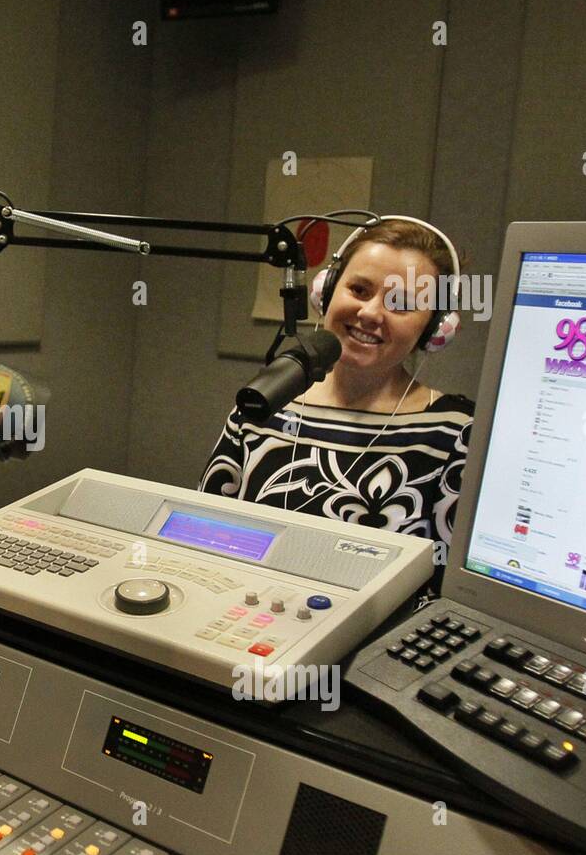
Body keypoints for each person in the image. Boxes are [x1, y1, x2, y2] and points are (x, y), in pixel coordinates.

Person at [199, 218, 474, 588]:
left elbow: (451, 592)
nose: (371, 313)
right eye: (359, 290)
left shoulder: (456, 433)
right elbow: (201, 543)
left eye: (401, 303)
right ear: (326, 291)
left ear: (435, 326)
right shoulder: (264, 404)